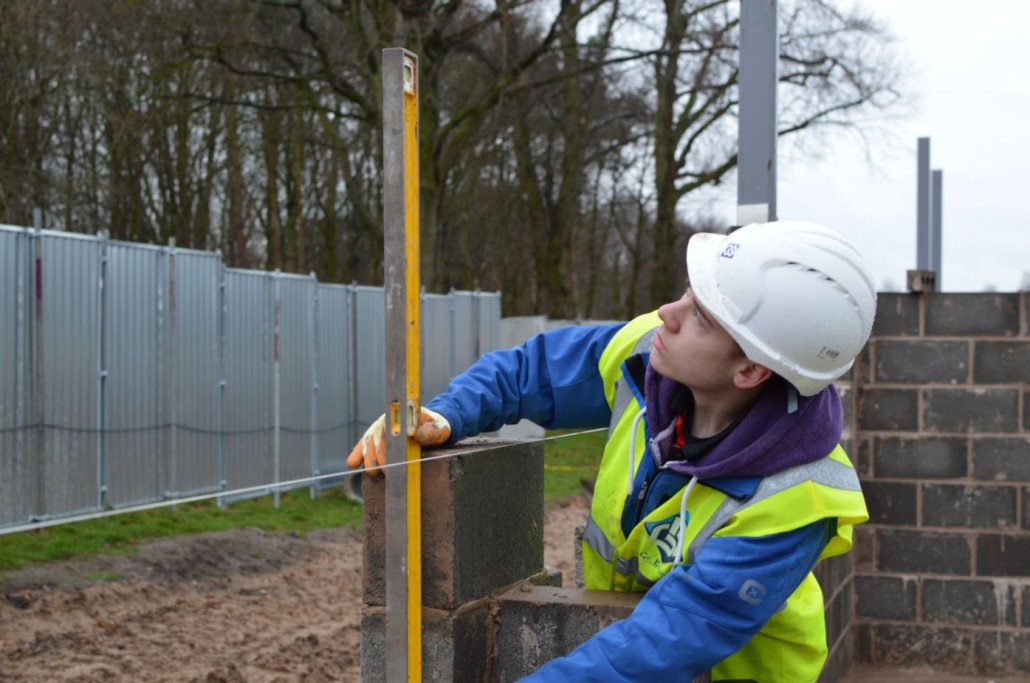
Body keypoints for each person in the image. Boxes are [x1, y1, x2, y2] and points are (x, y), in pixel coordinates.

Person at [347, 220, 876, 682]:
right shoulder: (650, 354)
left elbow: (665, 642)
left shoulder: (795, 499)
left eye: (701, 317)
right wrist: (448, 413)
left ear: (751, 371)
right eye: (687, 294)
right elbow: (532, 370)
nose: (668, 312)